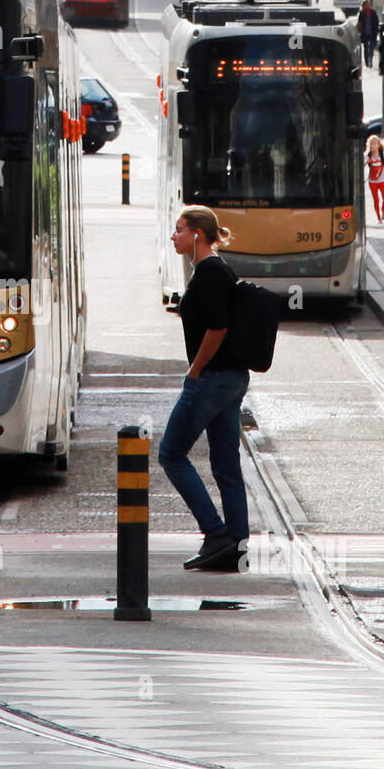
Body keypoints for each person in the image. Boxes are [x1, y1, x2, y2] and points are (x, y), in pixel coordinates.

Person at [158, 206, 250, 572]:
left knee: (171, 454)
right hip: (230, 378)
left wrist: (195, 369)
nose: (174, 236)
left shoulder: (210, 272)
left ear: (197, 234)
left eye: (179, 229)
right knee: (226, 464)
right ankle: (236, 548)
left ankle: (216, 534)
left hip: (211, 379)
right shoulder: (216, 269)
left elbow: (218, 327)